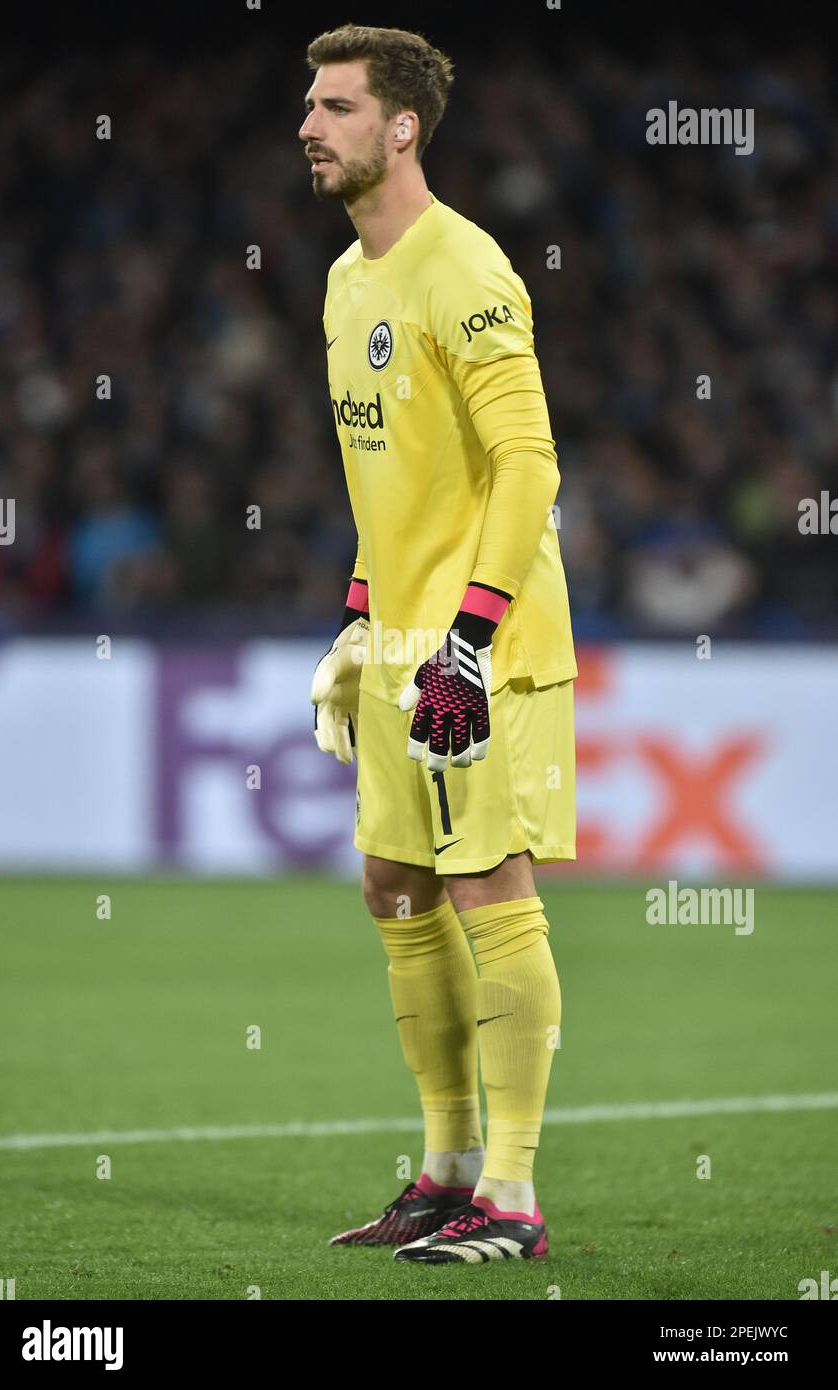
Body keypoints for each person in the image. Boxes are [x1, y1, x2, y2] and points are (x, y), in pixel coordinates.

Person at [301, 23, 577, 1265]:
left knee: (487, 892)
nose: (309, 126)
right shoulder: (344, 279)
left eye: (337, 106)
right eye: (310, 106)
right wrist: (362, 615)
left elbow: (526, 461)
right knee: (393, 888)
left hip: (484, 647)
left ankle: (511, 1197)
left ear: (399, 126)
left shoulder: (462, 268)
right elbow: (389, 482)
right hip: (401, 641)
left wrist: (463, 641)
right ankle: (446, 1168)